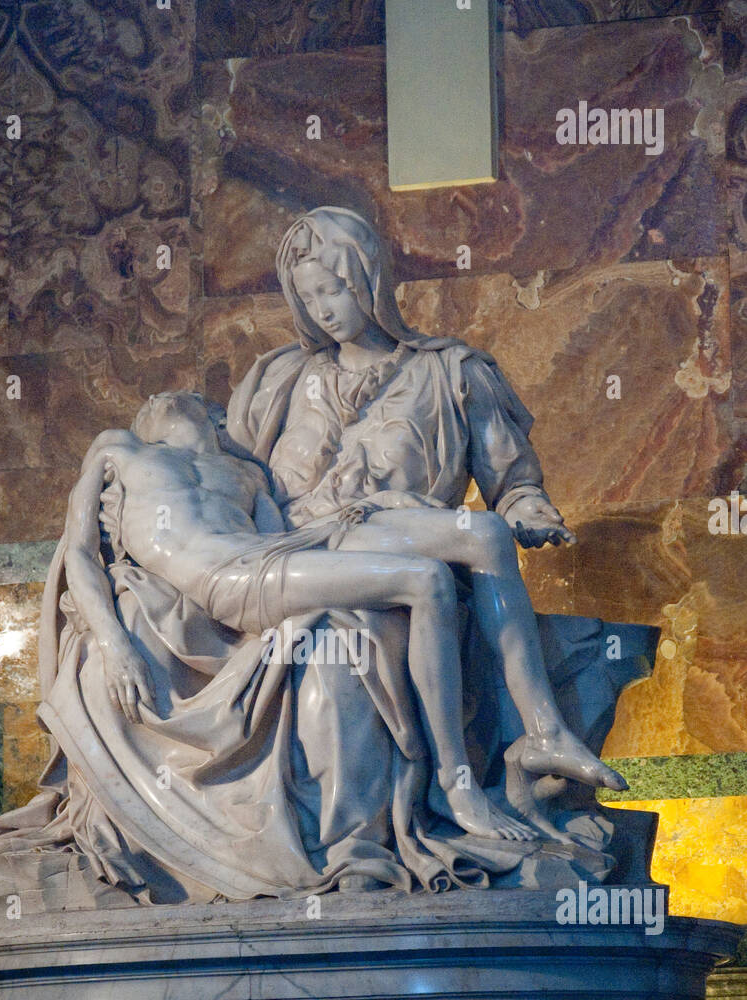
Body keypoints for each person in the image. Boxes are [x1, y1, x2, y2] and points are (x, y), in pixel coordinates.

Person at [227, 207, 627, 807]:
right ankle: (539, 734)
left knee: (486, 533)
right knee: (479, 537)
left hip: (395, 548)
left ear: (369, 279)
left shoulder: (452, 373)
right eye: (308, 299)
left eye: (333, 290)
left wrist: (528, 510)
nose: (324, 310)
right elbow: (224, 475)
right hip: (291, 556)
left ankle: (542, 735)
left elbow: (510, 481)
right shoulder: (279, 380)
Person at [64, 390, 533, 842]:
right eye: (150, 398)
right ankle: (456, 785)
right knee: (425, 581)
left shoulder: (246, 474)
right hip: (225, 583)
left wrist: (379, 505)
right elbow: (80, 555)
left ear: (216, 416)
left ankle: (479, 765)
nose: (157, 397)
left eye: (179, 392)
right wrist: (113, 642)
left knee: (437, 569)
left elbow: (287, 539)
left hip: (268, 565)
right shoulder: (116, 446)